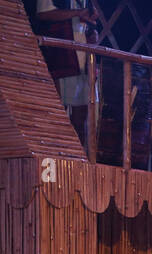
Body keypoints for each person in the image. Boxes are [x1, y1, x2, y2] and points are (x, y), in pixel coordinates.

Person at [34, 0, 100, 146]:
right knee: (57, 113)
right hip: (61, 55)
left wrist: (94, 34)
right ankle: (57, 153)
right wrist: (77, 13)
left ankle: (79, 158)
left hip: (84, 55)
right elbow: (43, 13)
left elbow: (89, 23)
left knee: (81, 117)